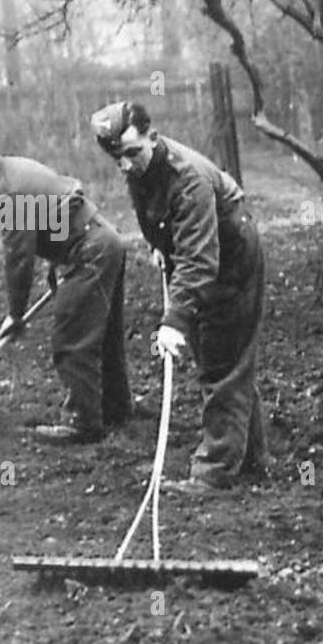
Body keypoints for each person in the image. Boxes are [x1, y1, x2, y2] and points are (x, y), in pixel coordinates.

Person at [90, 101, 267, 494]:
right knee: (224, 360)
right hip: (203, 253)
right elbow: (153, 213)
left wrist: (174, 321)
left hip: (232, 258)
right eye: (115, 156)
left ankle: (215, 473)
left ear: (154, 137)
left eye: (131, 153)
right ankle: (251, 461)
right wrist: (159, 244)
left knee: (221, 364)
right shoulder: (140, 164)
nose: (124, 165)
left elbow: (201, 262)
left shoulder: (187, 179)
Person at [0, 125, 132, 444]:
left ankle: (84, 423)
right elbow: (53, 216)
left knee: (72, 337)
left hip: (91, 250)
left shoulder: (7, 189)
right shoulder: (9, 173)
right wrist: (58, 268)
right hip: (101, 242)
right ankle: (115, 409)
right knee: (101, 333)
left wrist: (15, 314)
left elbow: (19, 257)